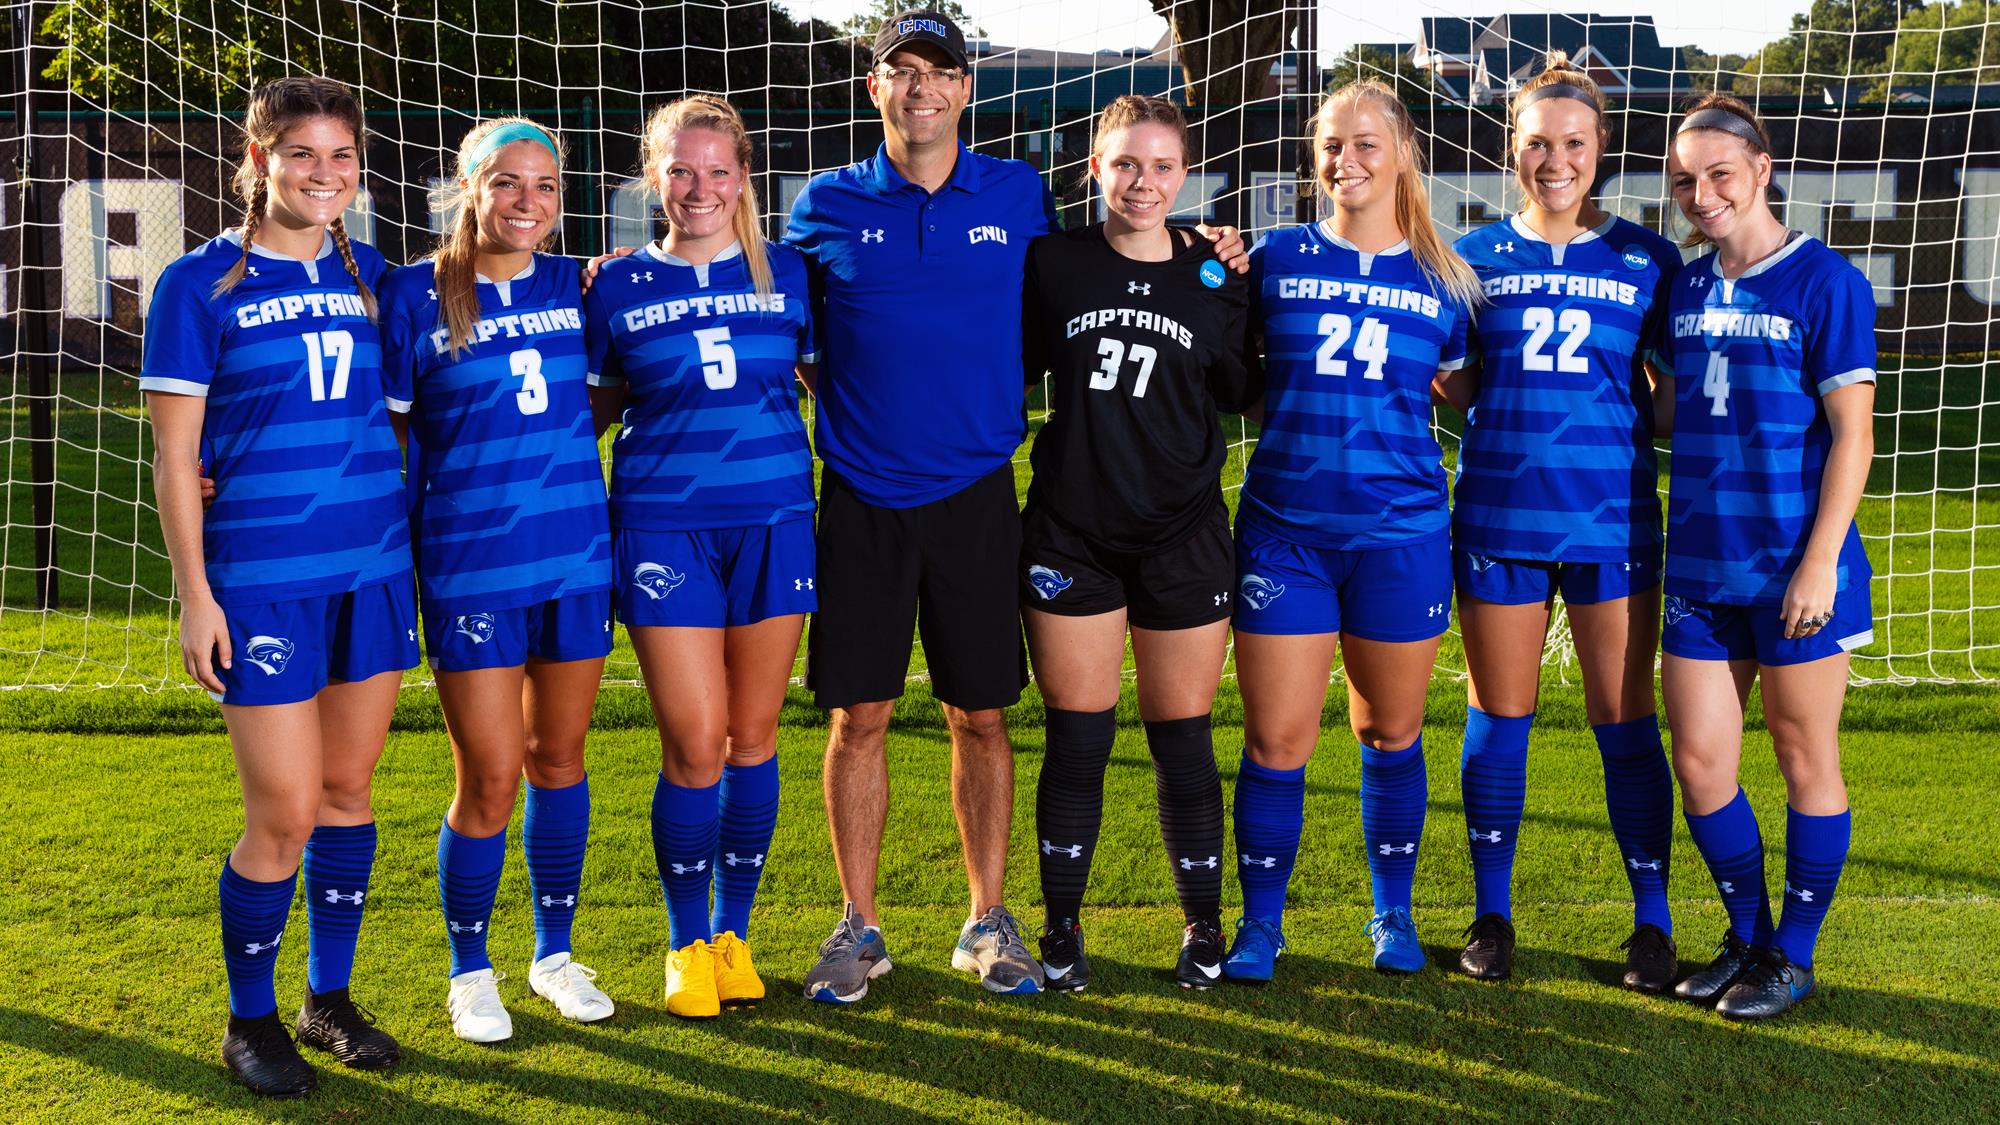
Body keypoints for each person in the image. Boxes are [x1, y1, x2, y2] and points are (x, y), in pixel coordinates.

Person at [785, 9, 1248, 1005]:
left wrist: (1211, 255)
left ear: (965, 91)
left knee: (980, 713)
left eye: (939, 73)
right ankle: (856, 928)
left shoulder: (1016, 195)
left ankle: (988, 922)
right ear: (874, 87)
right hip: (861, 495)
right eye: (900, 71)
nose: (921, 88)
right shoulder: (823, 204)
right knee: (857, 716)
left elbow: (1115, 274)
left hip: (977, 496)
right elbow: (785, 323)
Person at [141, 75, 414, 1097]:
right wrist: (196, 594)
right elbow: (175, 461)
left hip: (371, 571)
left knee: (348, 795)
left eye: (341, 156)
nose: (324, 174)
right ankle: (249, 1022)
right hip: (258, 582)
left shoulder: (378, 277)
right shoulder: (199, 285)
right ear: (258, 160)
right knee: (286, 813)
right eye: (302, 154)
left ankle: (327, 999)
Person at [1221, 79, 1480, 983]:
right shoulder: (1275, 257)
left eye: (1369, 143)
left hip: (1401, 535)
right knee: (1276, 741)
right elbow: (1236, 373)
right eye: (1333, 143)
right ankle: (1260, 924)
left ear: (1404, 151)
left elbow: (1460, 388)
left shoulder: (1448, 276)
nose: (1348, 160)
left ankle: (1393, 913)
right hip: (1286, 535)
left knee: (1390, 734)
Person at [1439, 52, 1684, 990]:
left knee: (1624, 722)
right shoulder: (1471, 258)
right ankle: (1493, 912)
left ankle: (1651, 923)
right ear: (1513, 148)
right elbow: (1460, 385)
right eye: (1538, 143)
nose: (1555, 160)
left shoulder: (1647, 259)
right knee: (1501, 715)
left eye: (1573, 143)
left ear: (1600, 147)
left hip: (1613, 522)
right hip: (1498, 515)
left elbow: (1662, 399)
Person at [378, 117, 615, 1043]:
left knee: (559, 759)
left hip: (574, 558)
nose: (529, 201)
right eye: (508, 182)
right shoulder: (413, 294)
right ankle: (469, 970)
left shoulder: (579, 284)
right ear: (467, 188)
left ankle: (553, 953)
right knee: (489, 775)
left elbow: (606, 396)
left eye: (547, 185)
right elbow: (390, 436)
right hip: (472, 566)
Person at [1019, 95, 1258, 992]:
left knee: (1183, 740)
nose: (1143, 182)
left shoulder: (1217, 272)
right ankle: (1063, 927)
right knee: (1079, 739)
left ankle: (1203, 926)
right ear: (1094, 170)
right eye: (1125, 164)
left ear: (1185, 175)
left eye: (1161, 166)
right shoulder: (1052, 262)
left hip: (1185, 534)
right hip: (1073, 533)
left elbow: (1242, 392)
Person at [583, 95, 813, 1020]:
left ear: (745, 176)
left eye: (718, 170)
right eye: (681, 170)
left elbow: (843, 384)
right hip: (662, 529)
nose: (700, 187)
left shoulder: (795, 274)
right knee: (694, 745)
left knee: (752, 740)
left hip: (774, 521)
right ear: (653, 178)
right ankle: (682, 944)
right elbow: (584, 414)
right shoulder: (614, 286)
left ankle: (732, 934)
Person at [1659, 94, 1875, 1020]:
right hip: (1702, 564)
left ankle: (1792, 953)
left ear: (1761, 167)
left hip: (1795, 567)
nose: (1700, 192)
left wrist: (1820, 561)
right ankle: (1746, 934)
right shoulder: (1688, 285)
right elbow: (1674, 412)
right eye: (1683, 178)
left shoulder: (1826, 281)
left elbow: (1854, 436)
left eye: (1717, 172)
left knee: (1801, 756)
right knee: (1703, 764)